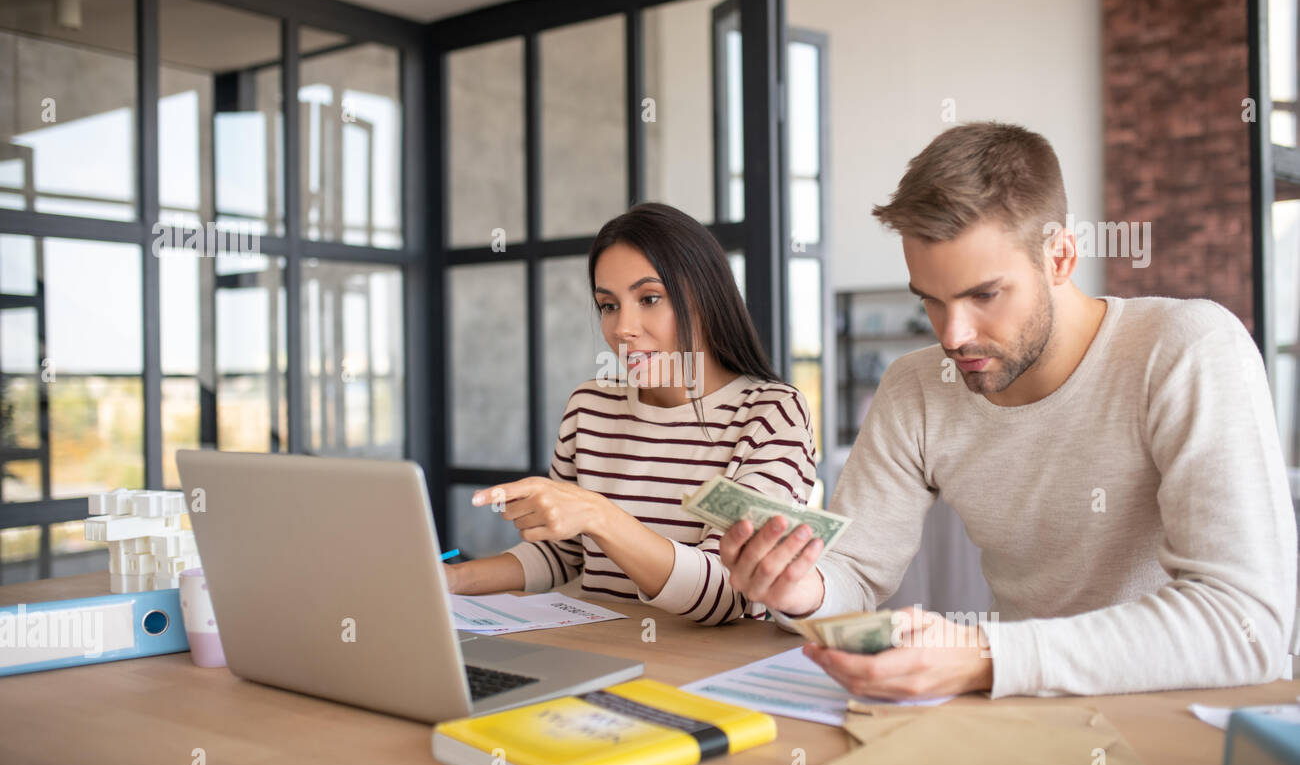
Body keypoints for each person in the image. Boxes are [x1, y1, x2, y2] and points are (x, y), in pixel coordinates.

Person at [720, 121, 1297, 697]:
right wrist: (802, 590)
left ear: (1061, 258)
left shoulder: (1187, 349)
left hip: (1193, 723)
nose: (952, 335)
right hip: (1023, 712)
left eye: (983, 295)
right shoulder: (916, 388)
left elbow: (1246, 624)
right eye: (931, 301)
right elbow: (853, 574)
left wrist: (987, 656)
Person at [445, 202, 817, 625]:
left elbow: (725, 593)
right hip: (601, 654)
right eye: (608, 305)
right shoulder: (590, 406)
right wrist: (453, 580)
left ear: (705, 297)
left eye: (649, 298)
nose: (623, 327)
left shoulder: (771, 414)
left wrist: (599, 515)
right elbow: (563, 554)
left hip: (704, 671)